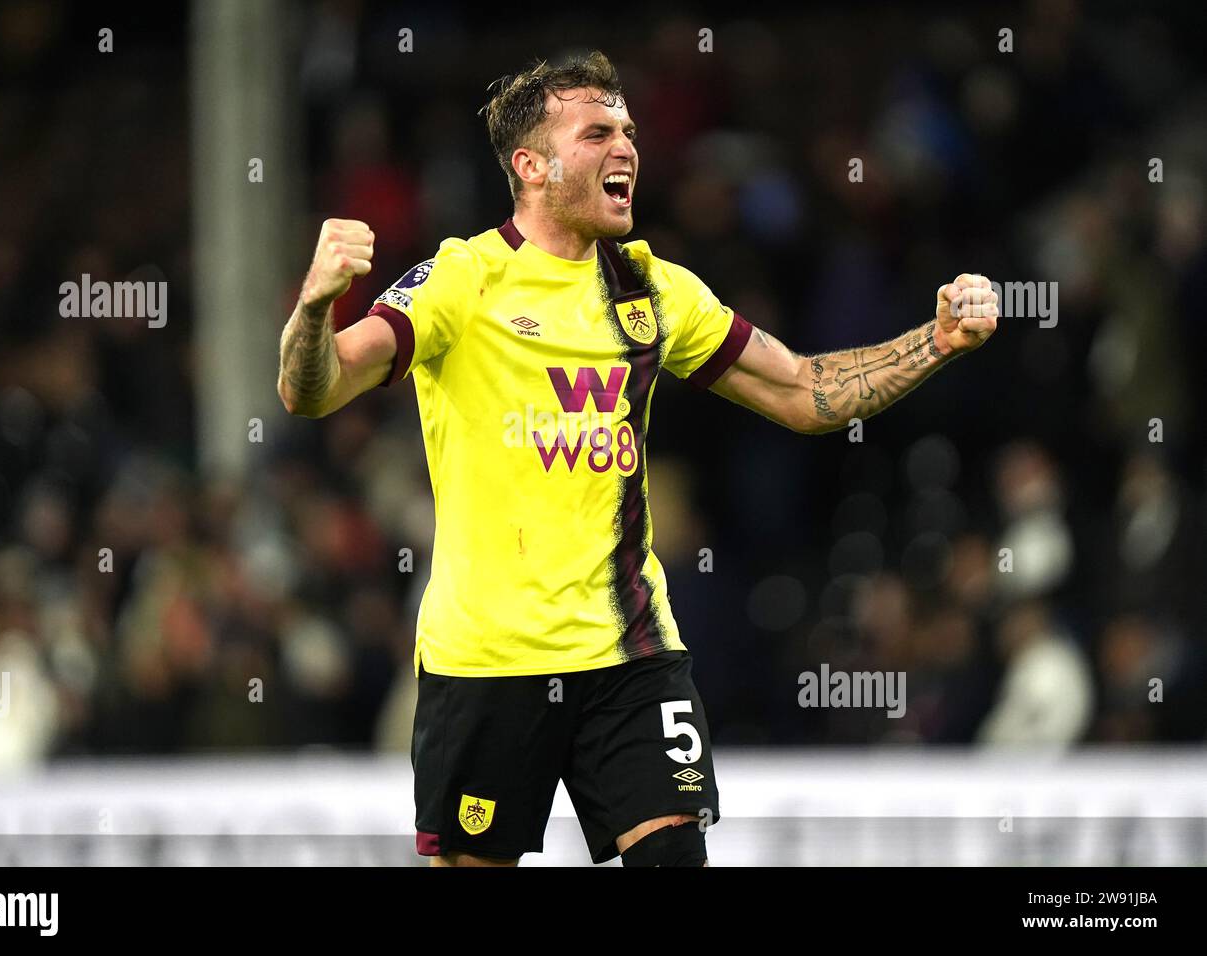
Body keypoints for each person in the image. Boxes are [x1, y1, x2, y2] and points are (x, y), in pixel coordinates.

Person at [277, 50, 998, 866]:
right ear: (532, 165)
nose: (626, 149)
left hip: (630, 655)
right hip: (487, 662)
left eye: (628, 131)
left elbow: (802, 390)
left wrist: (934, 342)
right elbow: (317, 386)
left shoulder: (655, 291)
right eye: (597, 134)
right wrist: (313, 307)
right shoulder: (462, 279)